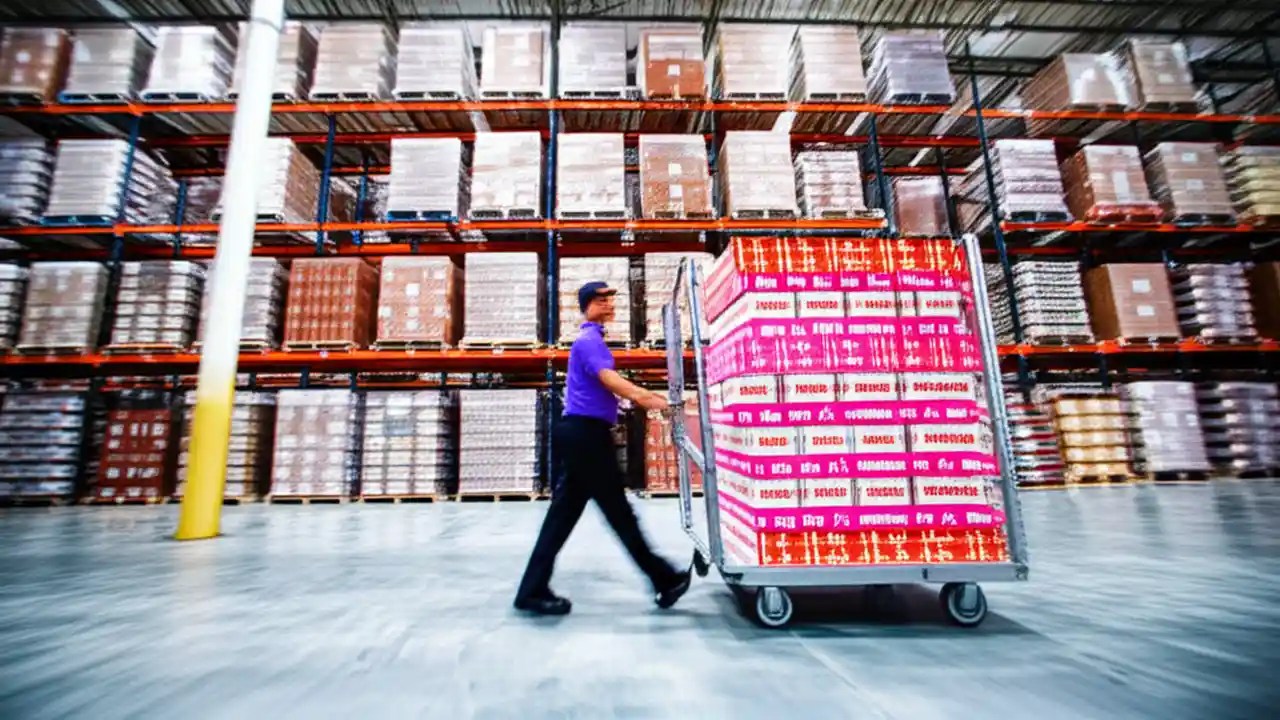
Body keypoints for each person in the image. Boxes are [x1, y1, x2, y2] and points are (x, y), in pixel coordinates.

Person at [514, 281, 691, 616]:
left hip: (582, 434)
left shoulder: (593, 340)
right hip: (586, 436)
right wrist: (650, 399)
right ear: (587, 305)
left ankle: (531, 590)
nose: (609, 304)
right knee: (618, 512)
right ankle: (664, 578)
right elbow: (609, 379)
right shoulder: (589, 341)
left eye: (611, 298)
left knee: (563, 517)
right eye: (601, 299)